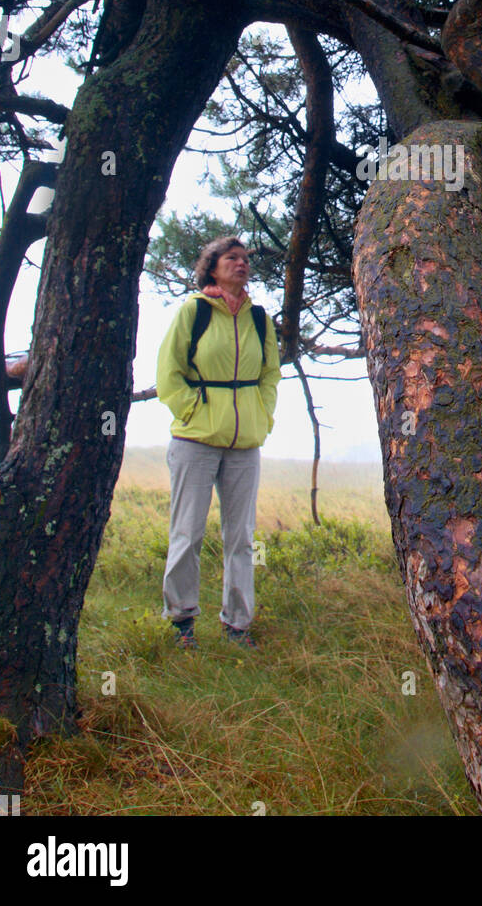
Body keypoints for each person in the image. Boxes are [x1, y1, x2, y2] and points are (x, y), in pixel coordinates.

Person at [156, 236, 281, 651]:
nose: (242, 264)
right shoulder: (193, 313)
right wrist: (192, 411)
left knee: (242, 538)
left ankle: (237, 626)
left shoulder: (259, 318)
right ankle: (180, 622)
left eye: (246, 259)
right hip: (195, 439)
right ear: (212, 267)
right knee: (187, 533)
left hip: (245, 443)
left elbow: (269, 376)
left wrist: (261, 418)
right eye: (232, 258)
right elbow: (169, 374)